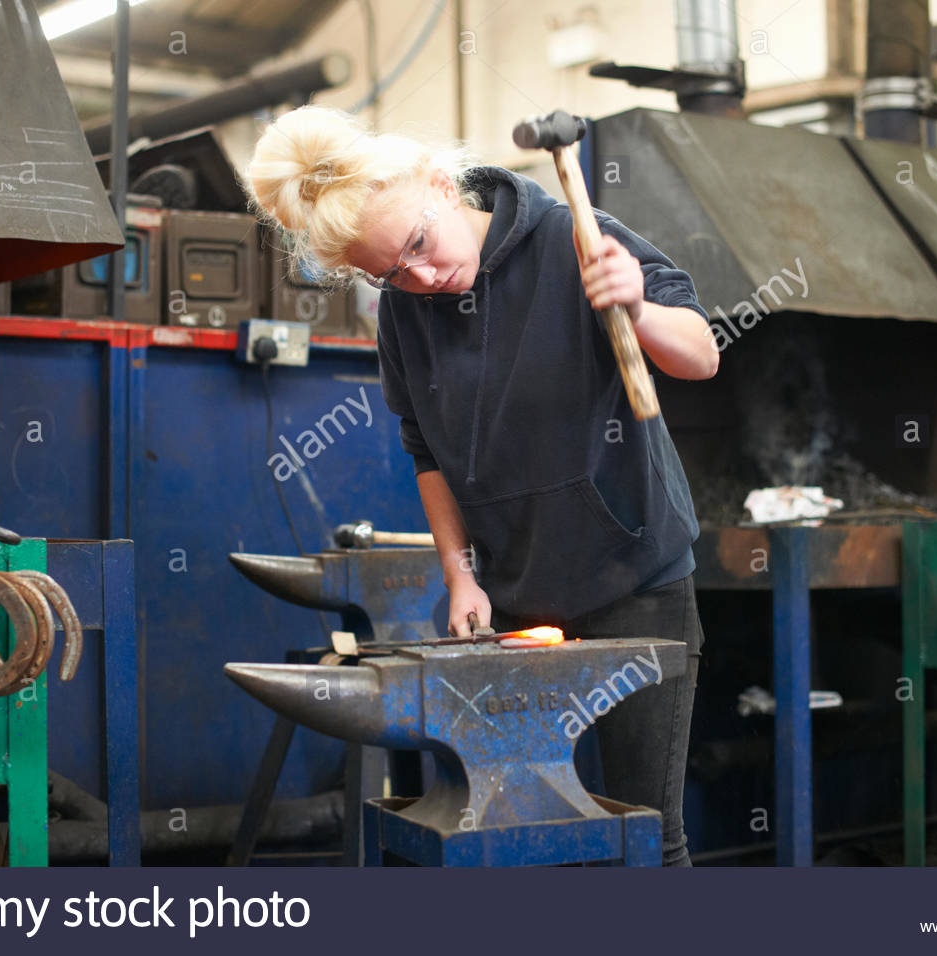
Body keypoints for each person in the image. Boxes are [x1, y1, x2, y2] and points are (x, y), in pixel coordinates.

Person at [244, 105, 717, 865]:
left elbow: (700, 355)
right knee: (525, 836)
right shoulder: (405, 310)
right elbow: (425, 450)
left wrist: (638, 307)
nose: (422, 278)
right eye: (389, 273)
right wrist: (460, 576)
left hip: (637, 579)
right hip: (519, 595)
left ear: (441, 183)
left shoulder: (574, 238)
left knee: (648, 839)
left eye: (418, 246)